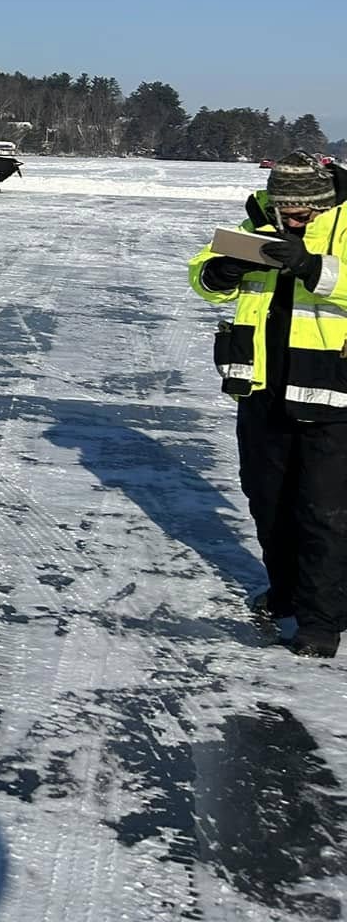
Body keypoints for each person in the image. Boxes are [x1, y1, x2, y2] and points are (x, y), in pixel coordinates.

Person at [190, 157, 347, 657]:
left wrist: (312, 267)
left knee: (325, 512)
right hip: (260, 387)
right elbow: (201, 277)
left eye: (302, 213)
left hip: (332, 391)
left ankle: (321, 622)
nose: (291, 220)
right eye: (285, 210)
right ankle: (285, 594)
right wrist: (220, 271)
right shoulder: (254, 224)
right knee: (267, 500)